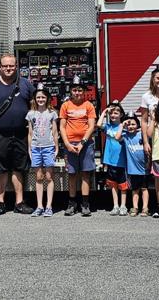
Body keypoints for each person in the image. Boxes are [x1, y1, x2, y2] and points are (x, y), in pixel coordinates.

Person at [0, 54, 36, 216]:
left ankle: (19, 203)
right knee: (0, 169)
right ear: (0, 67)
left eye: (11, 66)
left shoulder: (25, 84)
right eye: (5, 66)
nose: (8, 68)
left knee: (19, 168)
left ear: (16, 67)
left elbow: (35, 103)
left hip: (21, 134)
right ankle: (0, 203)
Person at [59, 75, 97, 216]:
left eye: (80, 90)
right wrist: (67, 144)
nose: (77, 93)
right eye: (74, 90)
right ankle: (72, 204)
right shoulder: (65, 105)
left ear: (84, 91)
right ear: (71, 91)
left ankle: (85, 204)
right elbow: (62, 127)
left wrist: (82, 142)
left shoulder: (89, 105)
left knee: (86, 174)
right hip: (70, 145)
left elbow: (91, 126)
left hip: (86, 145)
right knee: (72, 174)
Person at [26, 84, 59, 217]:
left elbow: (55, 131)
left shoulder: (52, 113)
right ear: (35, 99)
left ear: (47, 99)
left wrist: (56, 147)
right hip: (36, 148)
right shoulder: (30, 114)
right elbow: (30, 133)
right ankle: (39, 206)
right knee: (39, 177)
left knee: (49, 177)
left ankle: (49, 206)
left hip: (48, 147)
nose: (40, 99)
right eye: (38, 97)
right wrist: (29, 148)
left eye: (43, 97)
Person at [98, 100, 128, 216]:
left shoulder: (124, 128)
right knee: (113, 184)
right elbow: (98, 124)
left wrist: (122, 125)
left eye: (116, 113)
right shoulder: (108, 126)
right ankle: (115, 205)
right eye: (111, 113)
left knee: (123, 185)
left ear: (121, 114)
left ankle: (123, 206)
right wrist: (104, 111)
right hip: (110, 160)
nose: (113, 115)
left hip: (121, 161)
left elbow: (119, 137)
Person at [122, 111, 150, 217]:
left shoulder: (142, 135)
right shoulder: (125, 136)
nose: (131, 126)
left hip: (144, 168)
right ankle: (135, 207)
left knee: (144, 188)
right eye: (128, 124)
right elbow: (117, 137)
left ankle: (145, 208)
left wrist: (149, 162)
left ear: (138, 125)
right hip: (133, 169)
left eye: (133, 124)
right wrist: (122, 125)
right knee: (135, 190)